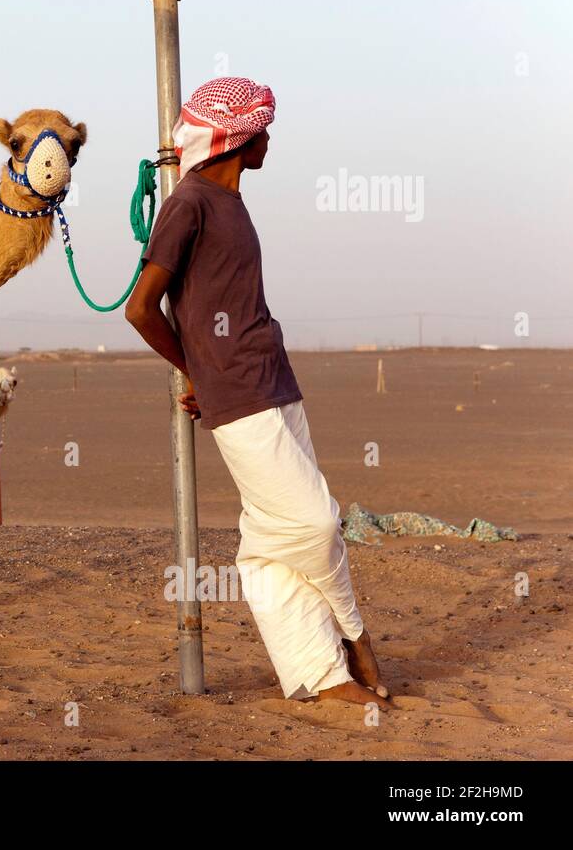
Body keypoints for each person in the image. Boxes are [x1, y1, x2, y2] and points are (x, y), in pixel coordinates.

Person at [125, 77, 388, 709]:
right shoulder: (187, 202)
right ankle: (356, 639)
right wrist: (197, 371)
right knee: (315, 521)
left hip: (273, 382)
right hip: (237, 394)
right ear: (241, 136)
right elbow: (141, 308)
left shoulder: (230, 203)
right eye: (263, 127)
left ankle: (321, 674)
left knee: (272, 543)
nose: (270, 137)